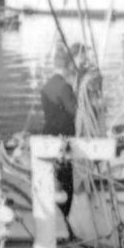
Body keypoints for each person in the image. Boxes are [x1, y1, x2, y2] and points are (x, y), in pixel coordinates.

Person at [39, 42, 80, 212]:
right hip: (63, 140)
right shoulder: (65, 87)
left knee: (53, 180)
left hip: (49, 135)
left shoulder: (46, 86)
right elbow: (75, 112)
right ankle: (66, 215)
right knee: (66, 183)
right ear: (69, 66)